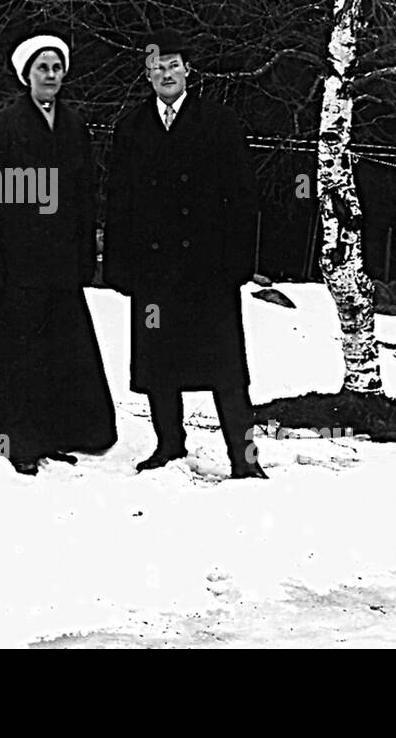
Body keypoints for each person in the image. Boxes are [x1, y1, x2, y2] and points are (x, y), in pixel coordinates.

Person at [0, 29, 117, 475]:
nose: (51, 75)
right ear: (27, 75)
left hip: (60, 261)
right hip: (16, 260)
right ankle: (17, 438)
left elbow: (83, 194)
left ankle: (54, 433)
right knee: (16, 353)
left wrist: (83, 252)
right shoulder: (4, 125)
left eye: (57, 67)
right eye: (43, 68)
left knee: (56, 351)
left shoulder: (75, 125)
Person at [102, 27, 267, 478]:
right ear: (147, 74)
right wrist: (119, 265)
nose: (166, 73)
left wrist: (238, 263)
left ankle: (245, 459)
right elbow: (118, 201)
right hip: (154, 271)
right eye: (157, 66)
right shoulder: (131, 127)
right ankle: (169, 446)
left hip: (208, 270)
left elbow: (243, 198)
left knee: (227, 372)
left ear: (188, 71)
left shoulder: (219, 123)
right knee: (159, 364)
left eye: (174, 65)